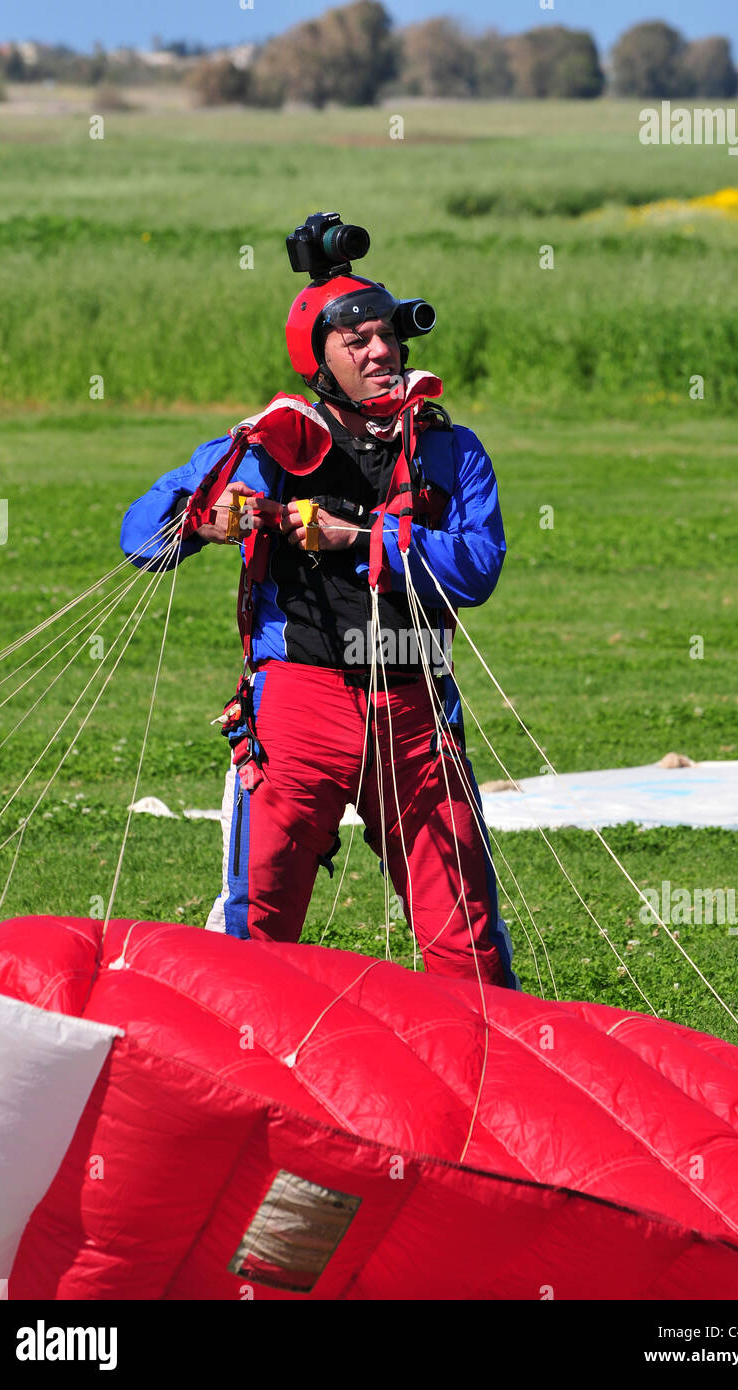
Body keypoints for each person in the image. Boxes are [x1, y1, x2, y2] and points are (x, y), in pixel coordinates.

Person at [121, 262, 518, 989]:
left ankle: (486, 1089)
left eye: (387, 336)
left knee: (466, 936)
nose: (380, 352)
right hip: (299, 708)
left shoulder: (450, 450)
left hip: (415, 712)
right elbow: (140, 535)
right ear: (318, 360)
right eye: (356, 340)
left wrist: (360, 539)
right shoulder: (269, 445)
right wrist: (210, 522)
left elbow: (478, 568)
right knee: (258, 927)